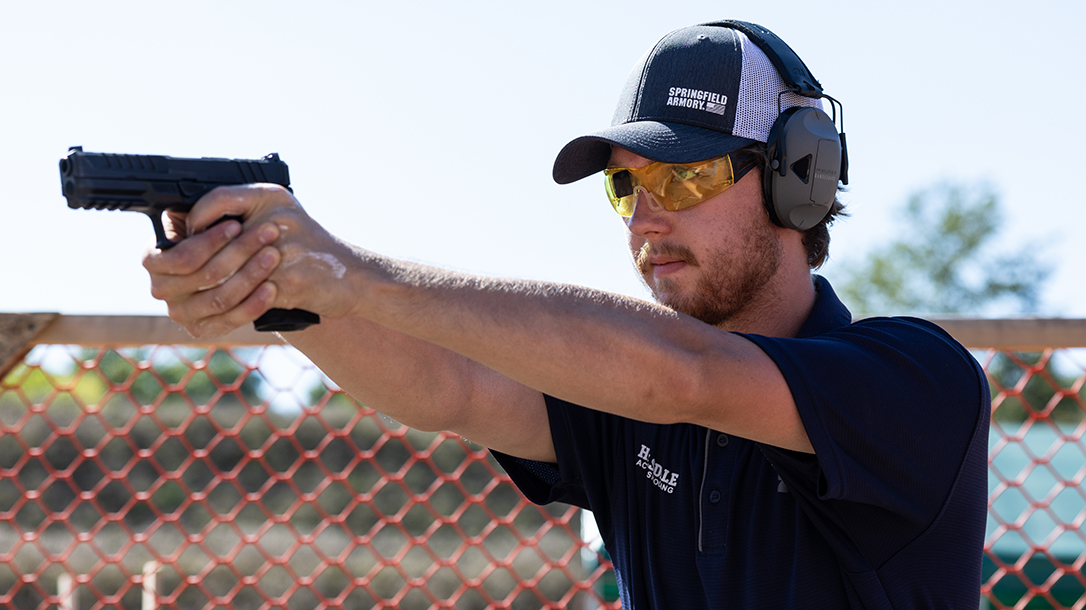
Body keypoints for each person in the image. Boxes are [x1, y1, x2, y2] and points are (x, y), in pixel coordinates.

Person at [142, 19, 990, 609]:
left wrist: (349, 274)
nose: (644, 218)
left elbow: (685, 375)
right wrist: (284, 289)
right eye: (625, 186)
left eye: (683, 178)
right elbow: (449, 385)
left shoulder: (917, 385)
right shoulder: (626, 392)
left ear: (797, 178)